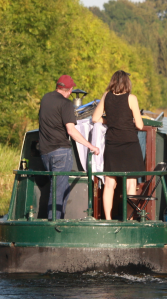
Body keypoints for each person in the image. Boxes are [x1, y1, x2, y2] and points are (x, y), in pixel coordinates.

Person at [39, 75, 100, 220]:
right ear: (70, 90)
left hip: (44, 151)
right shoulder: (66, 104)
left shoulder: (45, 98)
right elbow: (71, 130)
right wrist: (91, 146)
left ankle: (51, 219)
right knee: (59, 190)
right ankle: (55, 223)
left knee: (54, 187)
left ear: (57, 86)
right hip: (60, 151)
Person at [91, 70, 144, 220]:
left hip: (112, 144)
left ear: (113, 81)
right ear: (127, 83)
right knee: (131, 183)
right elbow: (139, 125)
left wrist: (111, 122)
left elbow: (95, 118)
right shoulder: (131, 98)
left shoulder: (106, 96)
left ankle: (108, 219)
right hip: (130, 144)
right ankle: (129, 219)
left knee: (109, 184)